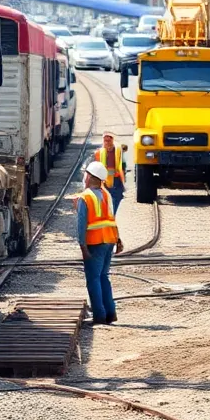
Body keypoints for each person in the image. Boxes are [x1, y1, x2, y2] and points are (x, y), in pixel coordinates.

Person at [77, 161, 124, 325]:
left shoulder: (85, 197)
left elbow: (81, 224)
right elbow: (111, 218)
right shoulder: (106, 194)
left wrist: (82, 246)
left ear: (89, 177)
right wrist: (118, 239)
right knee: (103, 276)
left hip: (95, 243)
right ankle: (110, 313)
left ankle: (99, 315)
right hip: (109, 240)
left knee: (93, 279)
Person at [94, 132, 127, 212]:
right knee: (107, 200)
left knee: (117, 198)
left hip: (117, 180)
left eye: (109, 141)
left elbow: (123, 165)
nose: (107, 143)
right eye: (105, 141)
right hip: (104, 181)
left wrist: (123, 176)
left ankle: (113, 216)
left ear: (112, 141)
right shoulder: (99, 153)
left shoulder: (118, 151)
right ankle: (110, 216)